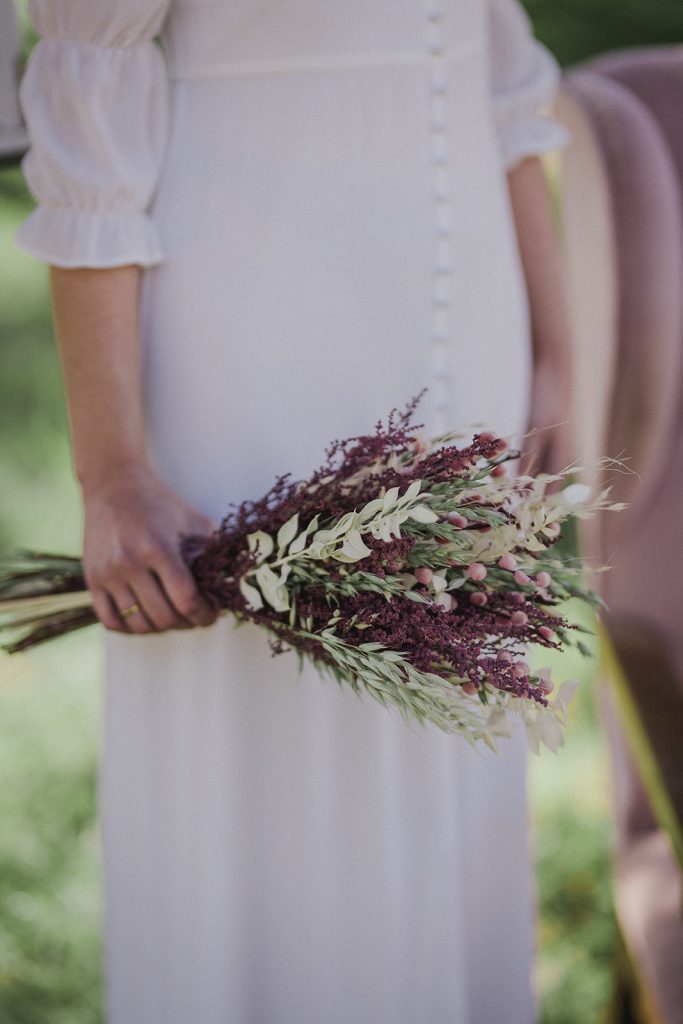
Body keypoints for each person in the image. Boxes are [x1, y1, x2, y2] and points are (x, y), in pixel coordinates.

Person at [14, 1, 573, 1021]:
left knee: (444, 747)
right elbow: (90, 68)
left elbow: (498, 74)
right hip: (250, 303)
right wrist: (112, 469)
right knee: (260, 738)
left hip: (472, 317)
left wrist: (555, 359)